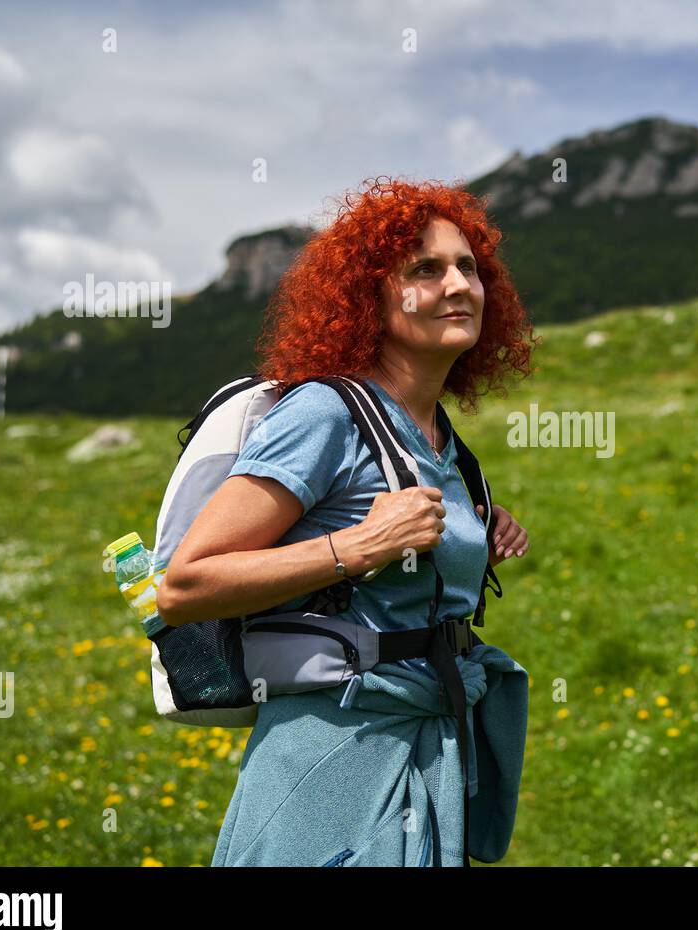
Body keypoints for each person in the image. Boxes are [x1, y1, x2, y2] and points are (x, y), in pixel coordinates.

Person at [156, 176, 540, 865]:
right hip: (330, 761)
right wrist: (362, 544)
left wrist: (474, 532)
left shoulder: (440, 439)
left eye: (469, 267)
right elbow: (187, 584)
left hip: (427, 750)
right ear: (370, 295)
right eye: (425, 269)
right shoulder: (324, 414)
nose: (459, 285)